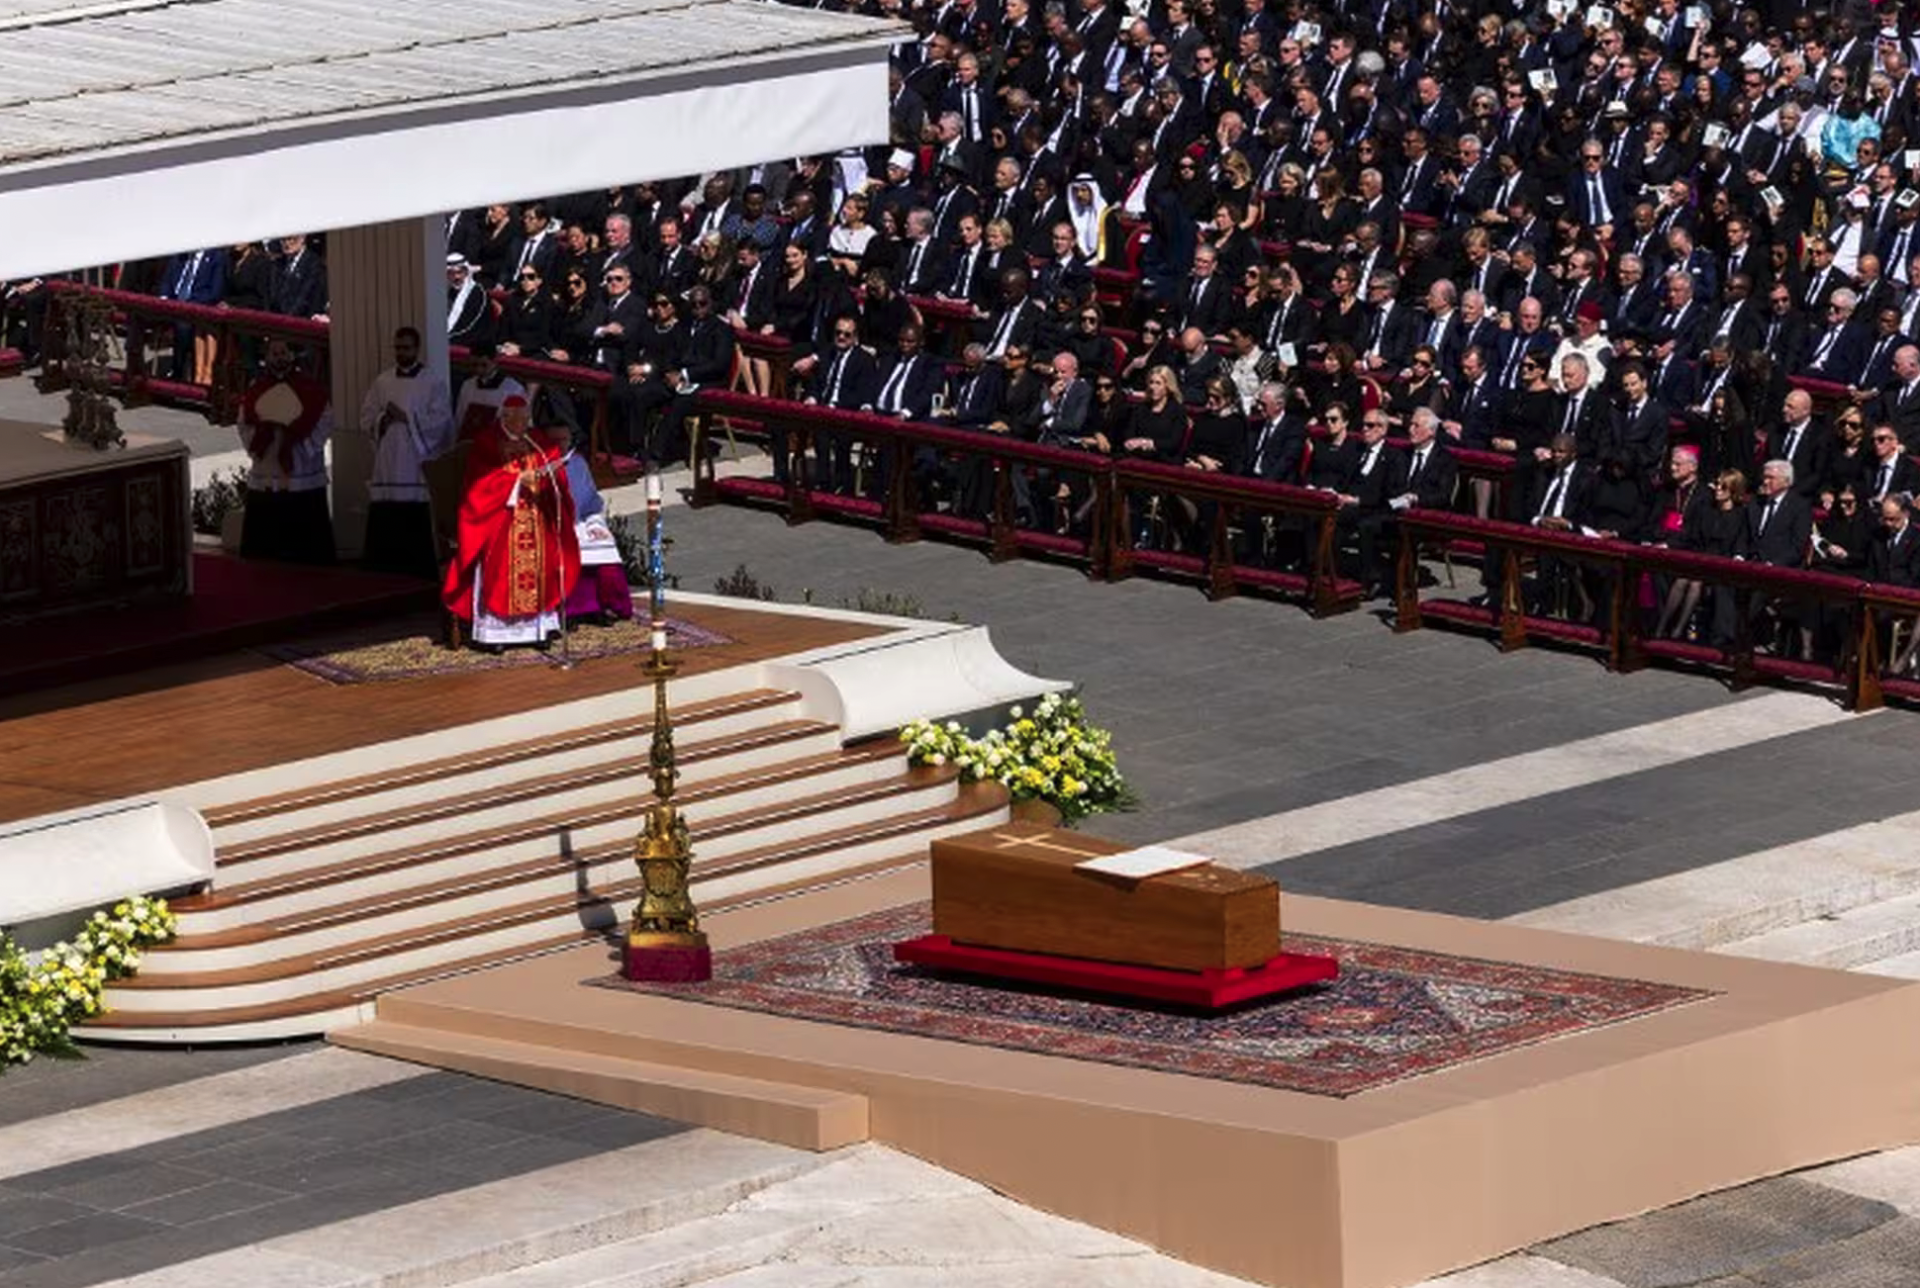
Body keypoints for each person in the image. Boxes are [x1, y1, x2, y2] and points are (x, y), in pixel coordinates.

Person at [442, 395, 581, 650]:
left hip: (535, 515)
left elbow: (554, 470)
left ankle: (538, 630)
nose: (524, 425)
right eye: (518, 420)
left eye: (526, 419)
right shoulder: (487, 442)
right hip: (500, 518)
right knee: (500, 569)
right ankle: (497, 636)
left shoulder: (537, 440)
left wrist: (545, 477)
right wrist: (517, 481)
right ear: (505, 417)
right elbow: (479, 486)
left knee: (543, 563)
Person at [359, 326, 454, 578]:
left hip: (415, 459)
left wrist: (408, 417)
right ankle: (383, 564)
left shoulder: (432, 381)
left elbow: (441, 419)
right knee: (387, 509)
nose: (402, 352)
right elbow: (367, 416)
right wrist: (382, 419)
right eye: (398, 347)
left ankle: (417, 567)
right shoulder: (383, 380)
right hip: (388, 457)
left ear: (417, 349)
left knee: (414, 510)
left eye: (407, 348)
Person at [236, 336, 334, 565]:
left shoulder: (309, 386)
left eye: (283, 353)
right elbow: (244, 422)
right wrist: (261, 438)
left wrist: (303, 441)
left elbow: (326, 417)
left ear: (291, 355)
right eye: (274, 353)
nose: (279, 358)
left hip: (300, 464)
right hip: (269, 464)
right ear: (267, 357)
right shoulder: (257, 388)